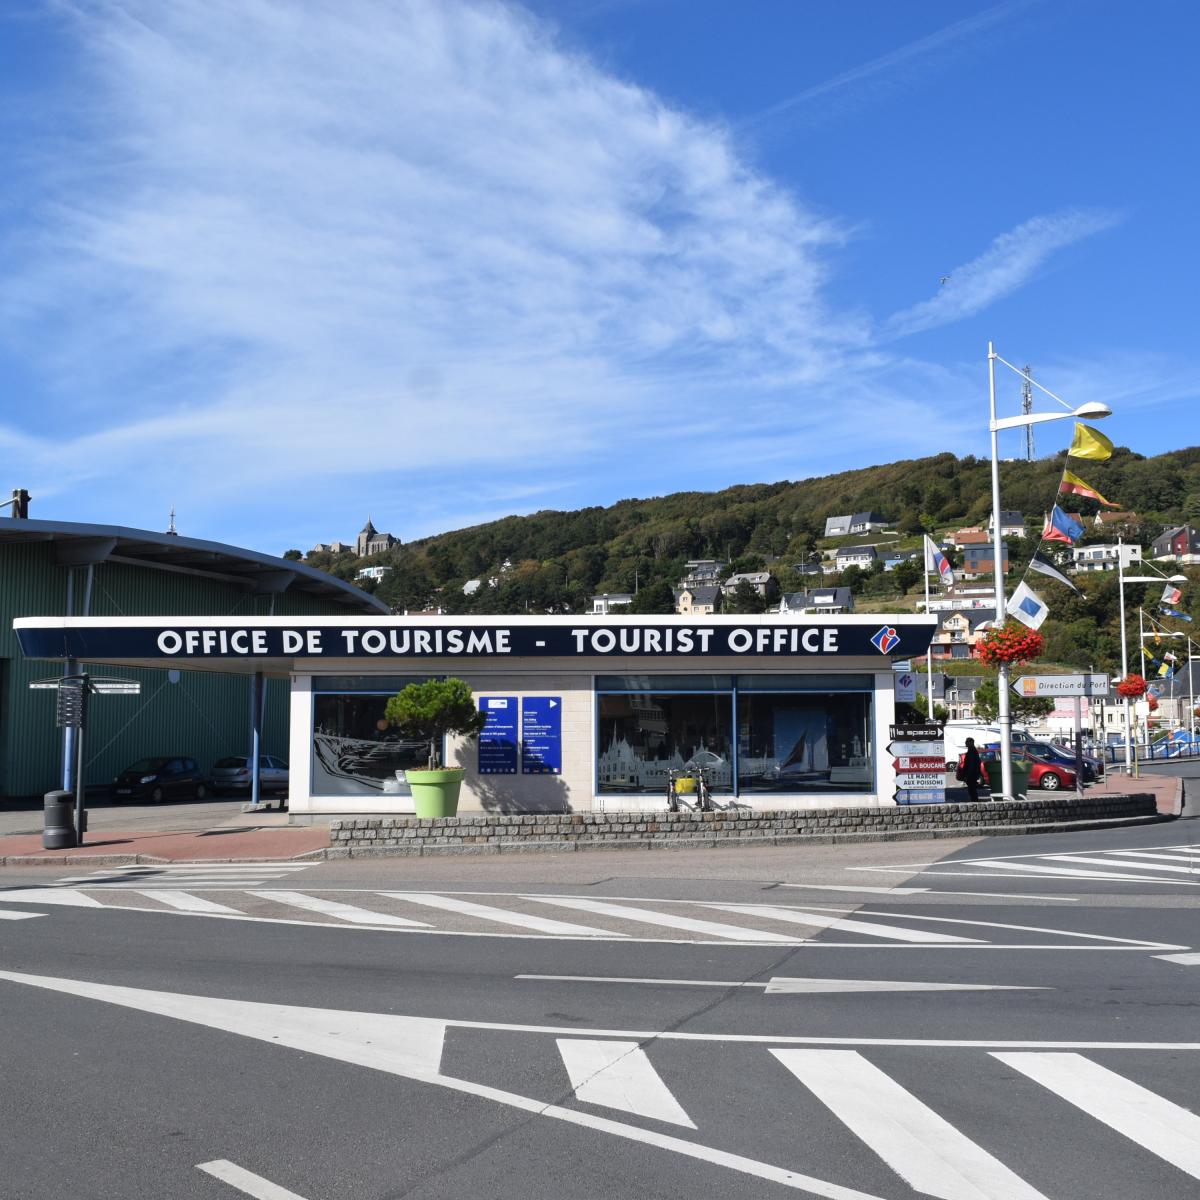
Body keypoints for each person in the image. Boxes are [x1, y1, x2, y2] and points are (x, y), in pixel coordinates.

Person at [961, 737, 984, 803]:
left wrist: (967, 775)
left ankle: (975, 803)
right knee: (972, 790)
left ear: (971, 743)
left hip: (971, 775)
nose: (965, 743)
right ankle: (974, 801)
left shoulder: (972, 751)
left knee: (972, 790)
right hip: (973, 774)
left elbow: (971, 765)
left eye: (967, 741)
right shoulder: (972, 750)